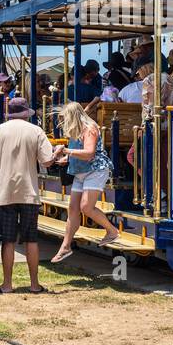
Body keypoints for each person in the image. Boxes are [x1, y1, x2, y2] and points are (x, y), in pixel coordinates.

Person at [0, 97, 62, 294]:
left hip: (5, 194)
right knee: (31, 240)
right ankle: (34, 284)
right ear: (26, 113)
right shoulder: (36, 131)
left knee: (7, 241)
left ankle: (7, 285)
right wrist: (57, 152)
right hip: (29, 193)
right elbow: (47, 162)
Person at [51, 101, 118, 262]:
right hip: (81, 171)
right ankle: (65, 246)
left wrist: (66, 150)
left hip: (95, 169)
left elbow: (89, 153)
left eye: (66, 118)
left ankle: (112, 231)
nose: (64, 122)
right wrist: (67, 158)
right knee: (73, 209)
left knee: (86, 207)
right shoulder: (77, 130)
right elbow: (80, 152)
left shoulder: (89, 128)